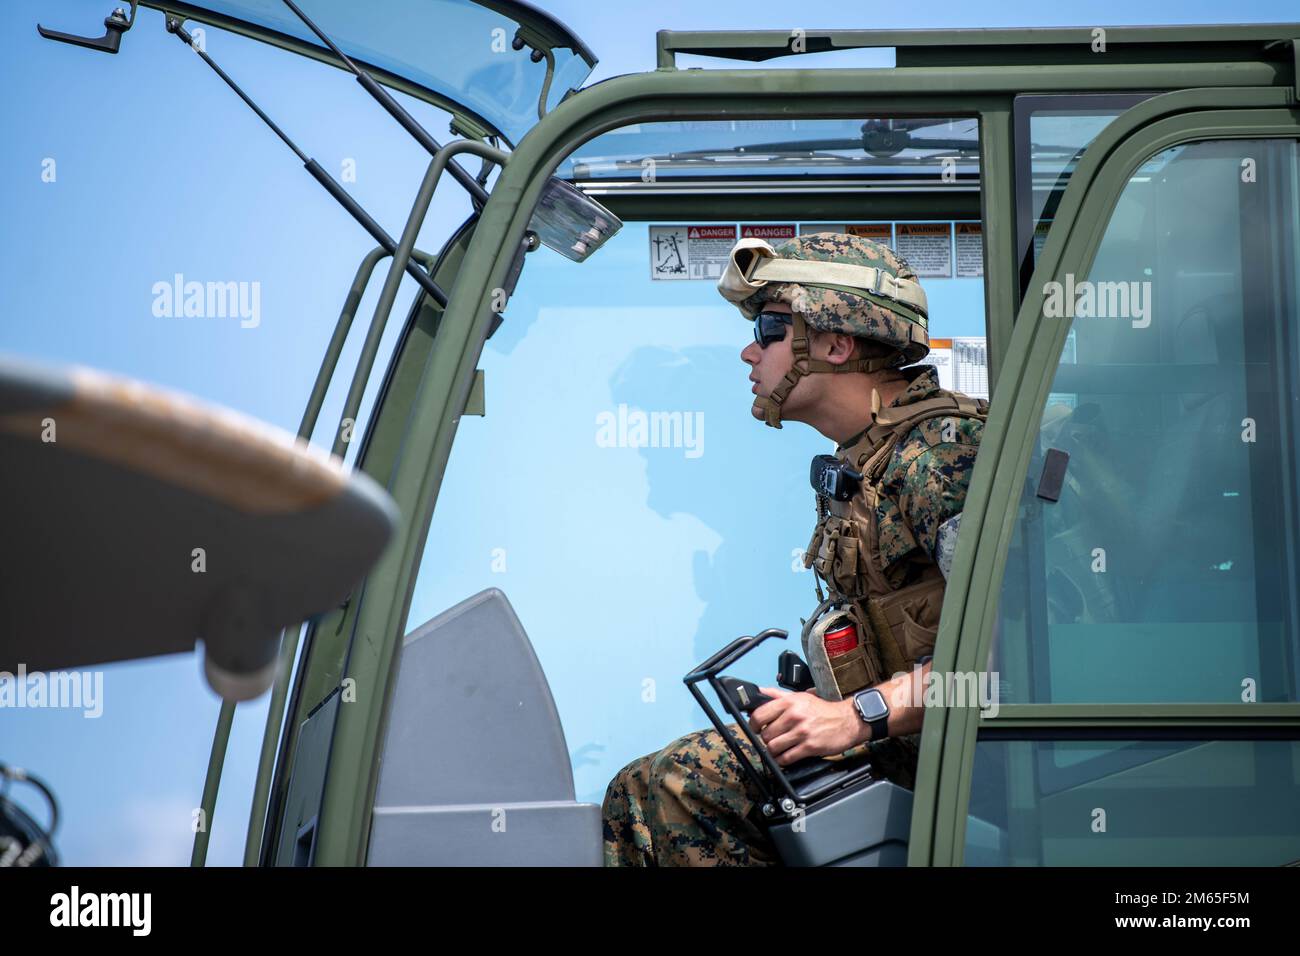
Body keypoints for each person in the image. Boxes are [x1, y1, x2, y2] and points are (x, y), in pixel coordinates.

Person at [601, 232, 987, 866]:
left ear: (836, 344)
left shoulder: (944, 455)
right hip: (917, 742)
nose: (750, 351)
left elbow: (1018, 663)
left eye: (771, 328)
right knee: (642, 788)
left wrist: (857, 715)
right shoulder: (874, 459)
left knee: (678, 786)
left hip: (973, 766)